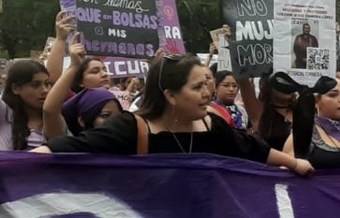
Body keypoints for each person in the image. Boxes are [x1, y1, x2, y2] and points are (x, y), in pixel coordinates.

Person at [36, 54, 312, 175]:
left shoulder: (212, 126)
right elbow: (68, 147)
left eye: (206, 85)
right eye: (197, 87)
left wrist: (294, 164)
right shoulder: (132, 128)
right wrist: (19, 164)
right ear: (170, 95)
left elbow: (254, 150)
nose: (207, 93)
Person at [44, 43, 121, 138]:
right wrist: (61, 40)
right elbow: (50, 108)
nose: (104, 74)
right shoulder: (71, 101)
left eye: (105, 70)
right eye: (95, 71)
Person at [1, 59, 51, 151]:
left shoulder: (55, 118)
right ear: (15, 88)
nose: (45, 90)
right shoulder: (5, 115)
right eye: (35, 85)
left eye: (47, 84)